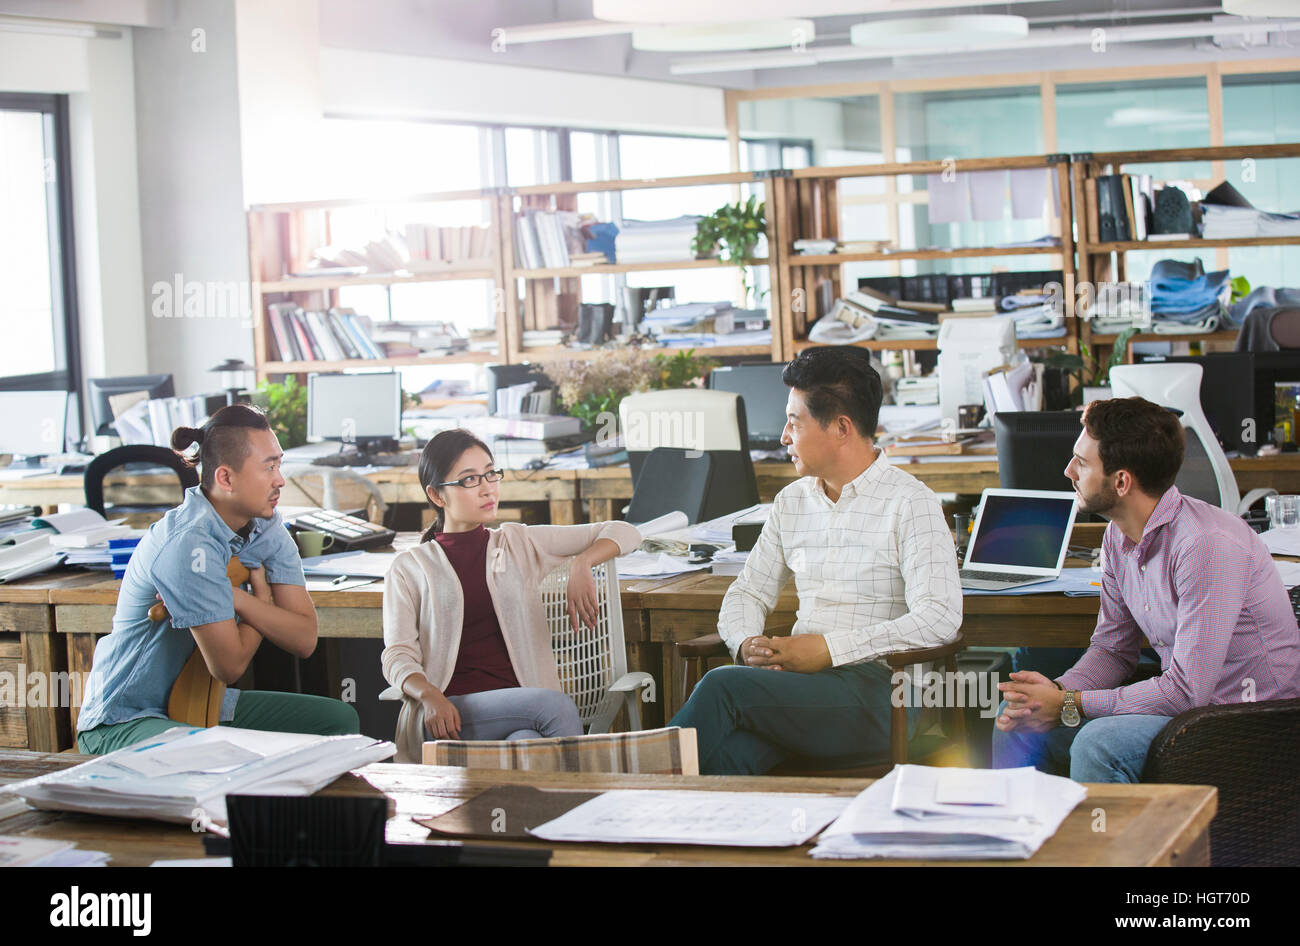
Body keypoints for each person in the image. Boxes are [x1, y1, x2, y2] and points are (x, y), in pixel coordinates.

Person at [667, 346, 963, 774]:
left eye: (794, 421)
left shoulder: (911, 502)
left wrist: (830, 650)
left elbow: (940, 617)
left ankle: (616, 798)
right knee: (729, 759)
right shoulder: (792, 502)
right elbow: (748, 591)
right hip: (798, 692)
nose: (784, 436)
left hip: (882, 696)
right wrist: (745, 641)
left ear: (841, 427)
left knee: (721, 688)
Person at [993, 396, 1300, 783]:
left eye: (1082, 463)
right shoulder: (1117, 538)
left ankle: (1103, 843)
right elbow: (1112, 651)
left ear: (1121, 481)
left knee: (1097, 743)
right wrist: (1051, 695)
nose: (1068, 470)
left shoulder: (1206, 546)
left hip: (1248, 721)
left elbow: (1187, 693)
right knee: (1017, 723)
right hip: (1191, 709)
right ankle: (1029, 841)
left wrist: (1070, 703)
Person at [77, 404, 360, 755]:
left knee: (337, 722)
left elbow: (303, 639)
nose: (280, 479)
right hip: (124, 719)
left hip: (199, 703)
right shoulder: (187, 544)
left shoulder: (267, 524)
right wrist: (262, 601)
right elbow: (229, 665)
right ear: (226, 478)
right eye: (268, 467)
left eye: (279, 463)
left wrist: (238, 598)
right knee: (212, 753)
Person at [381, 428, 641, 762]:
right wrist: (430, 696)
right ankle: (588, 803)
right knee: (554, 705)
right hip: (449, 712)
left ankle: (529, 813)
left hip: (523, 712)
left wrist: (583, 562)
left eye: (491, 473)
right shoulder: (410, 567)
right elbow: (397, 655)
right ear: (437, 495)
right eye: (470, 480)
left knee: (530, 743)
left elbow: (625, 531)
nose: (488, 487)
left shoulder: (518, 543)